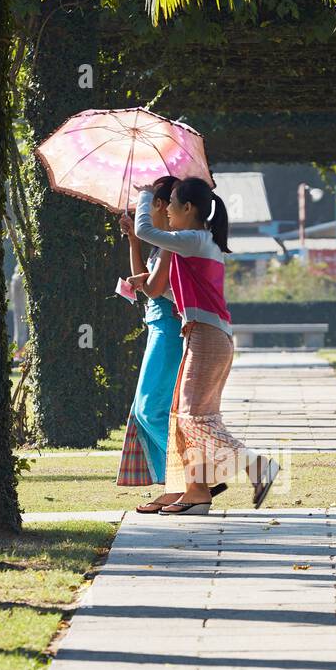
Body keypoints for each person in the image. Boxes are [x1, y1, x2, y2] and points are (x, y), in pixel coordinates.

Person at [133, 175, 280, 514]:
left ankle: (257, 466)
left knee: (194, 418)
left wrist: (143, 196)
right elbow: (163, 282)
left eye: (170, 205)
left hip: (207, 338)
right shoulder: (197, 241)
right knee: (187, 417)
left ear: (188, 208)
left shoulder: (194, 239)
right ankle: (197, 493)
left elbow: (146, 232)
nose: (166, 211)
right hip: (204, 335)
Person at [116, 176, 227, 512]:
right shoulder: (170, 243)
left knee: (156, 410)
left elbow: (152, 288)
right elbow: (149, 285)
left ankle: (197, 479)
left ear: (166, 206)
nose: (144, 210)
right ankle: (178, 485)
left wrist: (144, 197)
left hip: (170, 329)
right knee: (146, 410)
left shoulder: (176, 241)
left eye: (150, 205)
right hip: (161, 326)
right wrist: (134, 243)